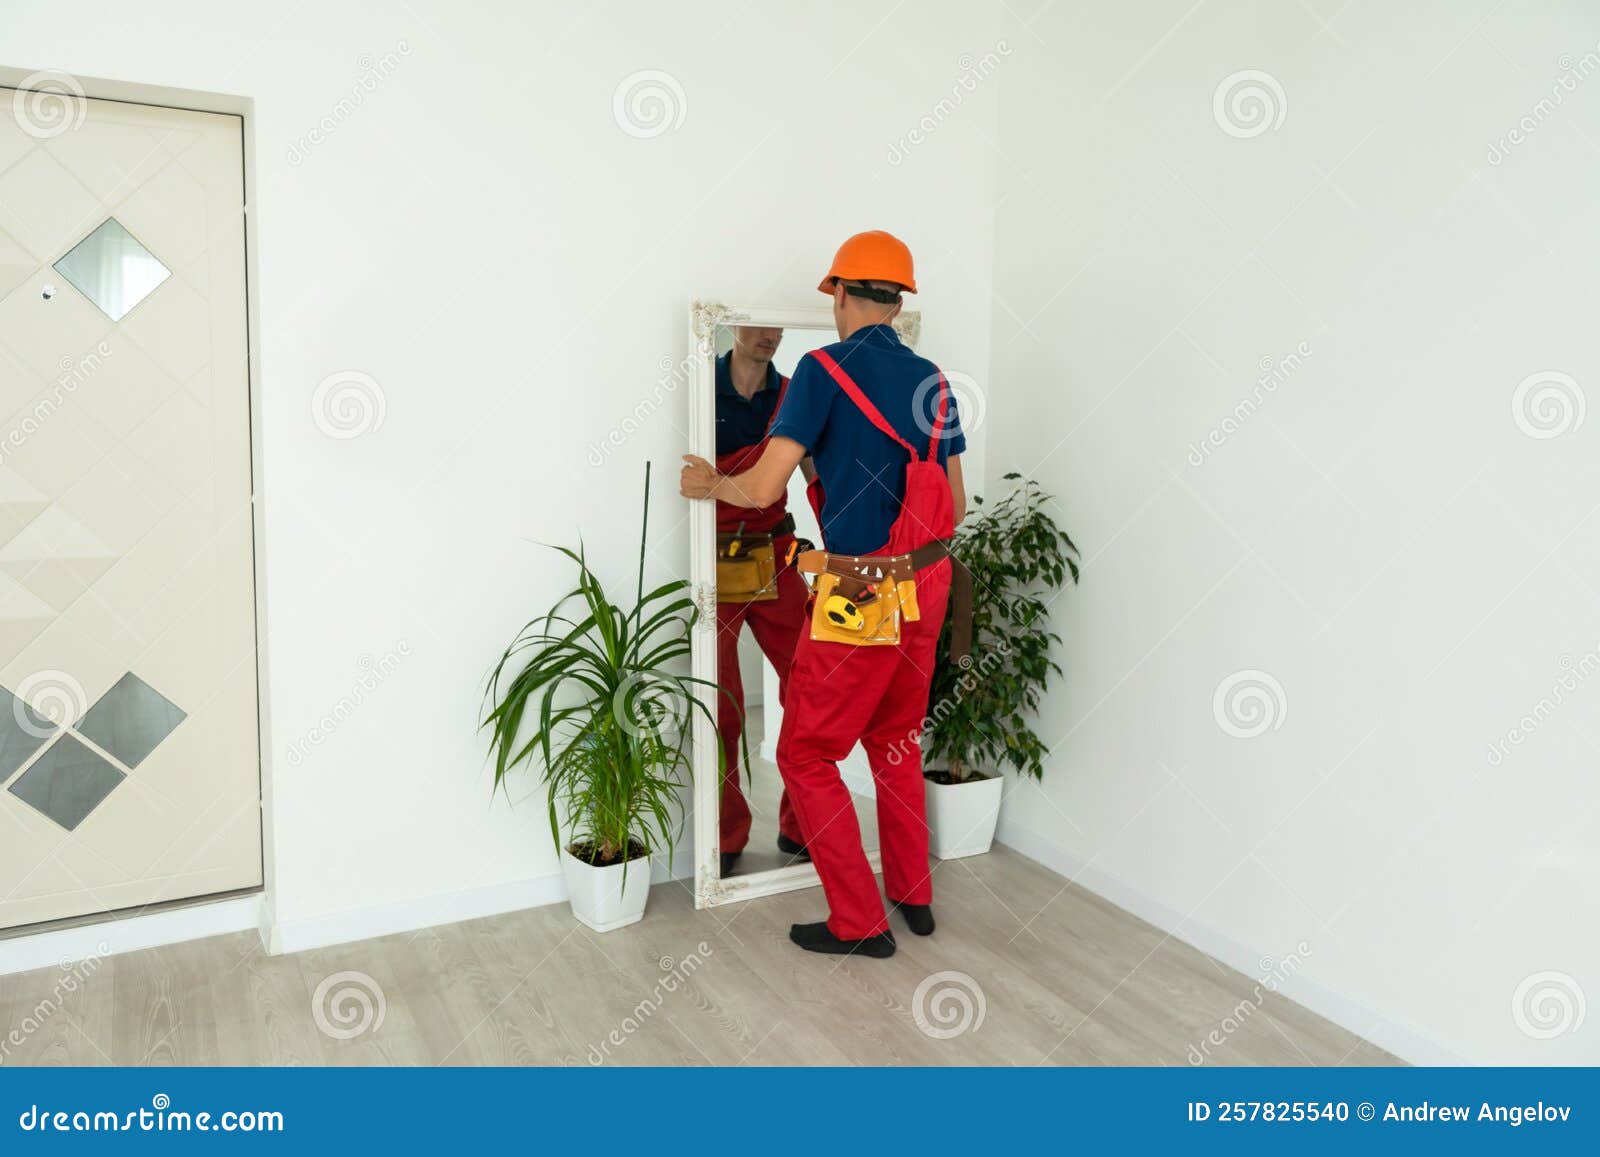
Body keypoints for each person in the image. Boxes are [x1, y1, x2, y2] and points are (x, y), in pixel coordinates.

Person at [681, 231, 965, 957]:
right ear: (897, 300)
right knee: (897, 738)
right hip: (928, 582)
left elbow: (764, 485)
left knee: (806, 753)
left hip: (862, 590)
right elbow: (954, 507)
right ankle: (913, 894)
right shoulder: (934, 377)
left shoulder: (819, 370)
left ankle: (860, 922)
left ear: (839, 292)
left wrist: (717, 484)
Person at [710, 326, 812, 877]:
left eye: (776, 325)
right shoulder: (700, 389)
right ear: (732, 323)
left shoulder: (796, 392)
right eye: (756, 323)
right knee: (723, 702)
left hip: (775, 550)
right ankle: (726, 835)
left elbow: (815, 472)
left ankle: (801, 824)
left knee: (811, 679)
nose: (769, 335)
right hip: (717, 556)